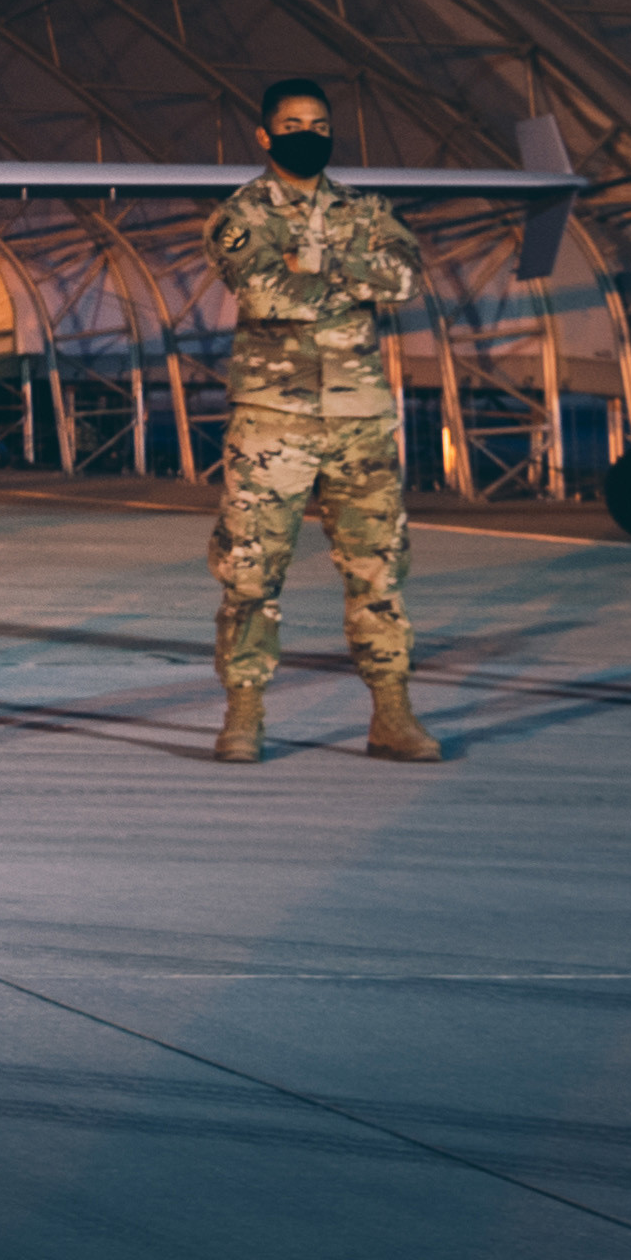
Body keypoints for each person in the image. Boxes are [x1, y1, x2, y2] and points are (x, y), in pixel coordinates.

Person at [202, 79, 438, 764]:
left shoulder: (365, 207)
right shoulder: (239, 213)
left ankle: (391, 715)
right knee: (250, 574)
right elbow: (267, 292)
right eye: (293, 122)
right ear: (265, 135)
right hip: (273, 421)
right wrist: (351, 272)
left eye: (319, 121)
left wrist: (319, 262)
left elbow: (405, 280)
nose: (308, 131)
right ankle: (243, 717)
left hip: (360, 418)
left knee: (378, 570)